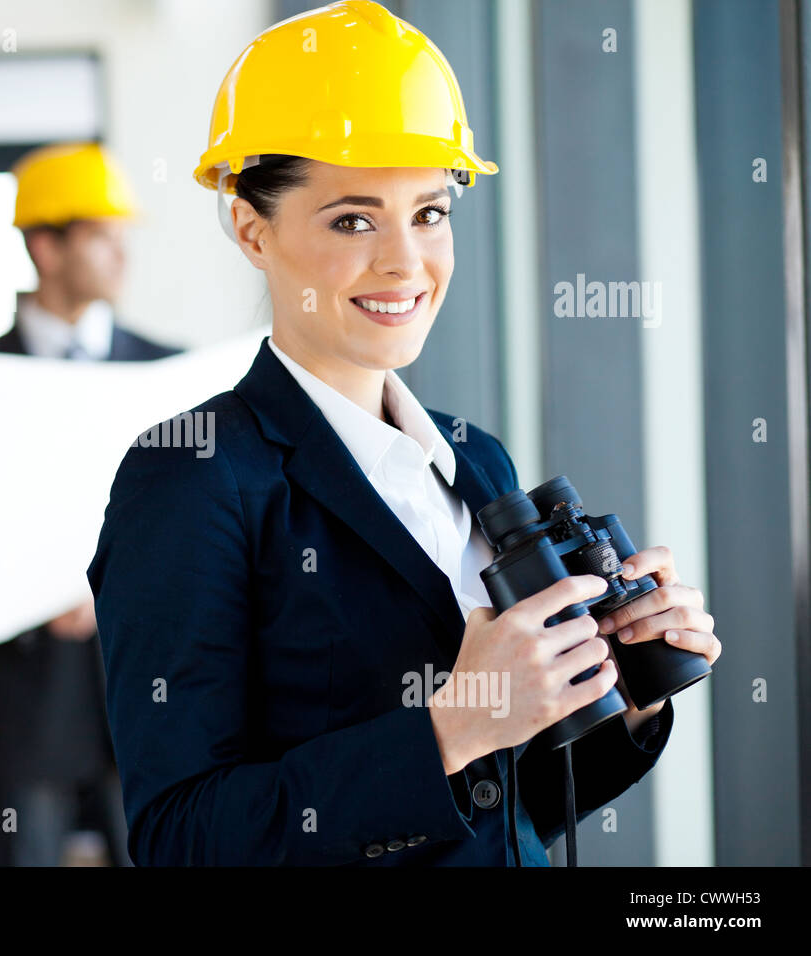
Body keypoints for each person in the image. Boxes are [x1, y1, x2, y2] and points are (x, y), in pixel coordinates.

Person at [86, 0, 722, 866]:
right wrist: (449, 727)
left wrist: (630, 689)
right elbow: (181, 838)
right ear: (250, 228)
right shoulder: (194, 479)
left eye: (429, 213)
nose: (404, 262)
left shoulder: (473, 457)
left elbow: (507, 810)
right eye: (353, 219)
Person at [0, 142, 178, 867]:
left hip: (148, 691)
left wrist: (112, 592)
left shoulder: (169, 371)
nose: (124, 256)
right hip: (20, 697)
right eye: (102, 237)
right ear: (46, 247)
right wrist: (34, 594)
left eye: (125, 238)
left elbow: (195, 536)